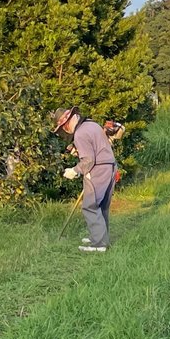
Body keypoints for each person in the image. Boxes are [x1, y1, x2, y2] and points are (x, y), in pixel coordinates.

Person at [52, 108, 118, 253]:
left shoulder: (80, 133)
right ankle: (100, 237)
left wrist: (74, 171)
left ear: (67, 123)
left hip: (97, 170)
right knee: (102, 206)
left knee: (90, 206)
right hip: (110, 167)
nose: (65, 131)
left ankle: (99, 244)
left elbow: (89, 160)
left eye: (63, 127)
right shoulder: (92, 124)